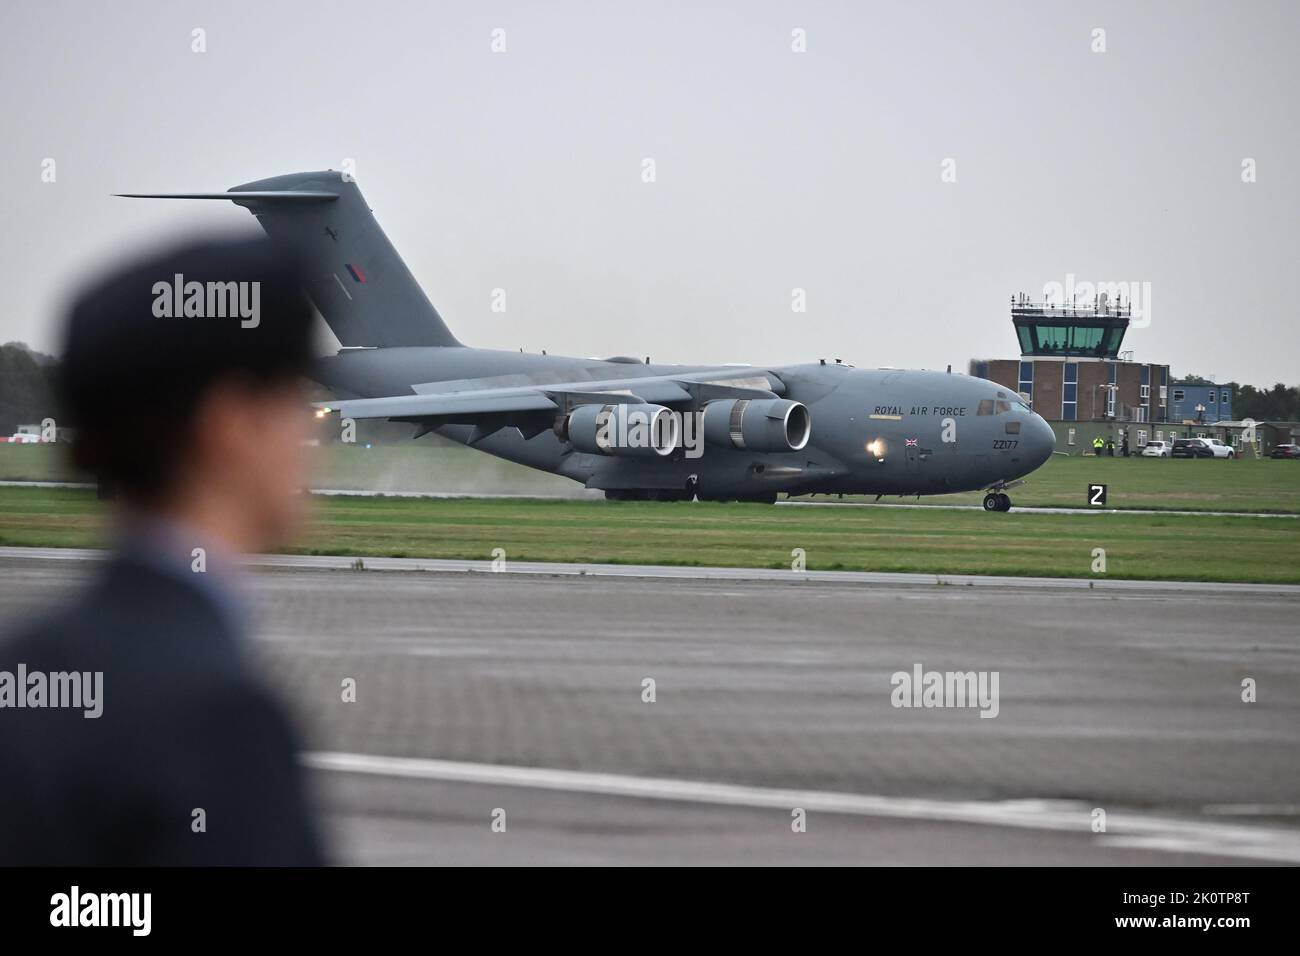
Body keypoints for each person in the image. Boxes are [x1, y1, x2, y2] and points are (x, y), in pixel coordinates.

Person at [0, 237, 325, 864]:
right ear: (231, 425)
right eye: (294, 404)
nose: (310, 436)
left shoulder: (23, 667)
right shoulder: (220, 715)